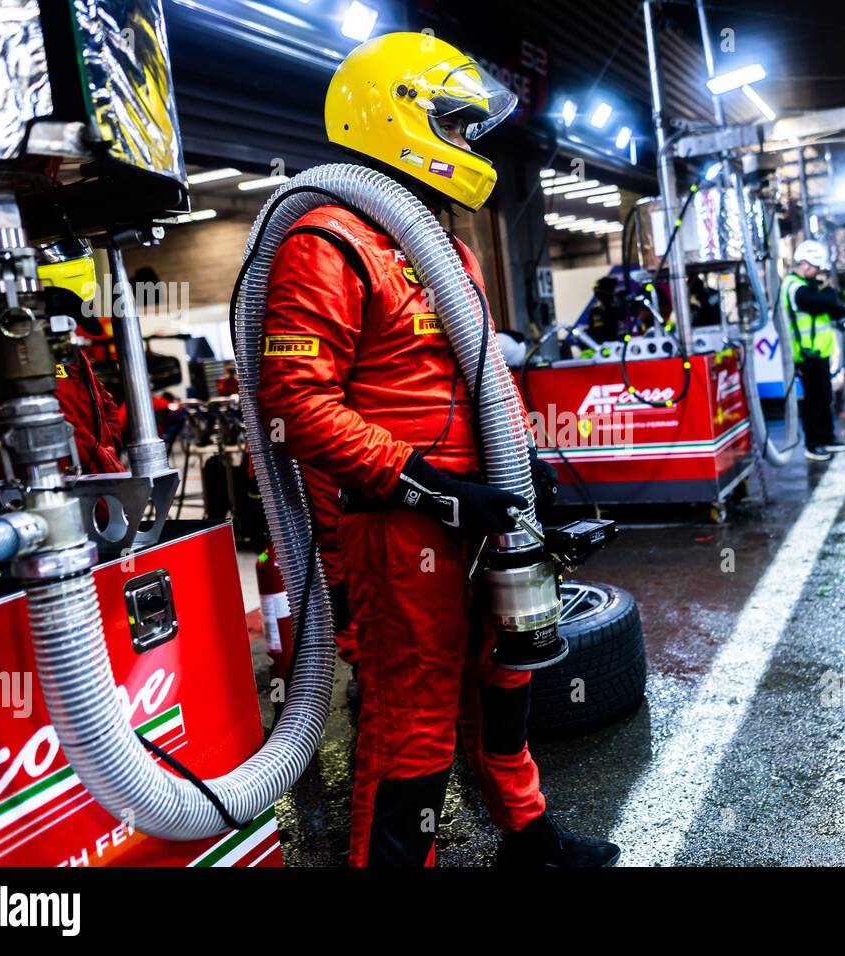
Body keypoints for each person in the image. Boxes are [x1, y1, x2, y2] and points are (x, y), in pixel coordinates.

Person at [256, 32, 618, 868]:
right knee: (411, 723)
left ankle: (527, 838)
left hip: (481, 513)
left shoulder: (441, 248)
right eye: (454, 127)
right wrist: (431, 487)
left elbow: (484, 380)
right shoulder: (325, 239)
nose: (465, 146)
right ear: (399, 120)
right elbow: (297, 405)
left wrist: (526, 478)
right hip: (400, 527)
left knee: (506, 677)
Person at [0, 240, 123, 475]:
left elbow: (102, 400)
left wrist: (106, 452)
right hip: (34, 491)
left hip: (96, 483)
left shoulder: (54, 329)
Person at [781, 240, 845, 462]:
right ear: (804, 263)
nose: (817, 272)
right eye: (815, 267)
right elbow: (821, 302)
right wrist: (830, 293)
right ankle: (813, 445)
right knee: (814, 401)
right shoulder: (794, 286)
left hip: (819, 352)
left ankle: (827, 439)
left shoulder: (808, 285)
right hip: (806, 354)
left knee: (824, 397)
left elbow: (830, 305)